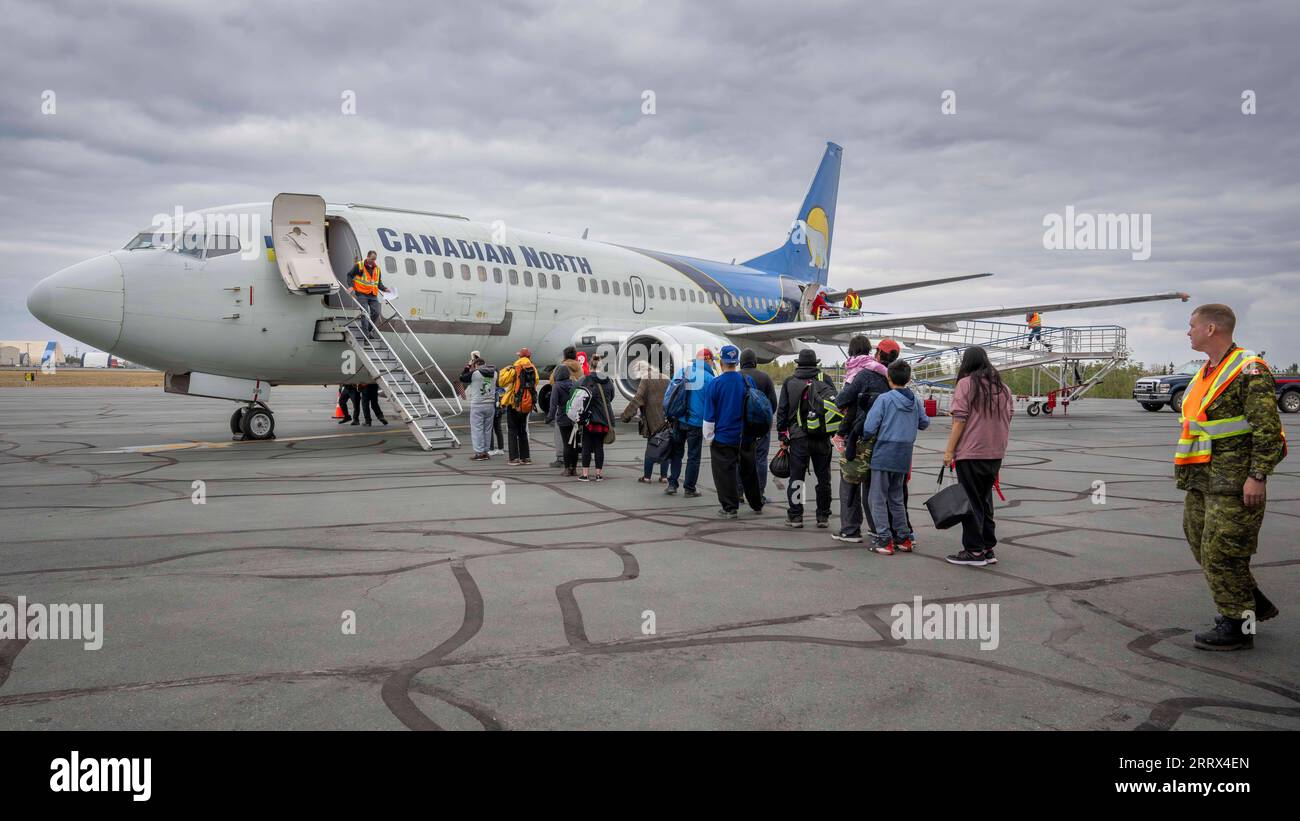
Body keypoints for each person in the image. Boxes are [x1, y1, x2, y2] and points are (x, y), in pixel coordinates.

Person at [1176, 304, 1286, 650]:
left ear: (1211, 329)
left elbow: (1268, 431)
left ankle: (1239, 625)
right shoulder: (1207, 371)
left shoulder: (1248, 370)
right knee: (1201, 545)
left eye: (1191, 325)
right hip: (1201, 478)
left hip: (1235, 481)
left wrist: (1258, 476)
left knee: (1223, 552)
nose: (1187, 331)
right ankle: (1249, 601)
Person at [941, 347, 1013, 566]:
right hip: (995, 452)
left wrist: (949, 450)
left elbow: (959, 420)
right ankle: (987, 546)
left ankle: (974, 551)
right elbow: (1009, 416)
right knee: (984, 499)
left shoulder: (966, 385)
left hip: (971, 452)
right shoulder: (1003, 388)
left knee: (971, 501)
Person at [863, 359, 929, 554]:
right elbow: (924, 423)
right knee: (896, 497)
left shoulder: (884, 399)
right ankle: (903, 537)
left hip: (884, 452)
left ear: (889, 378)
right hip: (904, 454)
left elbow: (869, 427)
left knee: (877, 498)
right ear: (908, 379)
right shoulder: (915, 400)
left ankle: (884, 539)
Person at [832, 336, 893, 543]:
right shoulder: (889, 376)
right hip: (883, 437)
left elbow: (842, 399)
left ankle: (850, 529)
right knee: (872, 485)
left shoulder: (862, 374)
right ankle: (877, 529)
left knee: (849, 482)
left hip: (858, 437)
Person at [776, 349, 836, 528]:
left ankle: (796, 516)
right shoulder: (825, 379)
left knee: (797, 478)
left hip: (798, 437)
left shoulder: (790, 382)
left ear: (799, 364)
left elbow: (782, 411)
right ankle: (823, 516)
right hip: (822, 437)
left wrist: (782, 435)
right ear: (816, 364)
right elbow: (834, 406)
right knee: (823, 478)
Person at [704, 345, 764, 518]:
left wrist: (710, 438)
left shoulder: (715, 384)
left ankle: (730, 507)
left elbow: (709, 417)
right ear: (736, 362)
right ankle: (756, 503)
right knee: (750, 471)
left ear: (721, 362)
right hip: (745, 435)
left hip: (723, 437)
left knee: (724, 474)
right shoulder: (747, 381)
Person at [663, 349, 715, 498]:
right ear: (708, 360)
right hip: (696, 423)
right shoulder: (710, 379)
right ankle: (689, 488)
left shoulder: (682, 372)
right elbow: (712, 404)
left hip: (679, 419)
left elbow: (669, 393)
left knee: (677, 453)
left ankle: (672, 484)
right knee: (693, 456)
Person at [621, 360, 670, 483]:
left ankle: (647, 477)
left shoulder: (645, 380)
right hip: (667, 419)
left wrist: (625, 416)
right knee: (666, 447)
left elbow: (638, 399)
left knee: (651, 448)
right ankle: (664, 477)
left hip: (652, 420)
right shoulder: (665, 378)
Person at [738, 349, 777, 501]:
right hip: (760, 427)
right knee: (761, 459)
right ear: (755, 362)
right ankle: (759, 493)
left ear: (741, 362)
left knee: (739, 459)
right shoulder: (765, 378)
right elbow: (773, 404)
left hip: (741, 427)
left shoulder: (737, 377)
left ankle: (739, 492)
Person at [498, 347, 540, 465]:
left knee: (512, 430)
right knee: (523, 430)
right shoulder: (533, 367)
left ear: (520, 356)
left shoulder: (515, 367)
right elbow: (536, 381)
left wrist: (505, 370)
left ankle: (514, 458)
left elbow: (501, 382)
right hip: (527, 403)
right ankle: (525, 457)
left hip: (514, 403)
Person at [548, 346, 586, 467]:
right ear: (575, 356)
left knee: (560, 434)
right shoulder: (579, 368)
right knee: (575, 433)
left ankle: (561, 457)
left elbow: (551, 381)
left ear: (564, 355)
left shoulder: (561, 367)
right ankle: (577, 455)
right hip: (576, 406)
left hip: (563, 408)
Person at [577, 365, 615, 481]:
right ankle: (598, 474)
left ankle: (585, 474)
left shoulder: (586, 380)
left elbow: (580, 396)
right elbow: (611, 397)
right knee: (599, 446)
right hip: (603, 418)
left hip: (589, 418)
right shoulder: (608, 382)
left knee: (586, 446)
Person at [459, 352, 498, 460]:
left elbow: (462, 378)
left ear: (476, 365)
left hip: (478, 404)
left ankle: (479, 453)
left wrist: (468, 367)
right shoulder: (494, 373)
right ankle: (486, 451)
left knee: (477, 429)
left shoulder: (474, 373)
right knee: (487, 429)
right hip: (490, 404)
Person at [546, 359, 579, 475]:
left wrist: (549, 417)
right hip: (574, 418)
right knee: (574, 444)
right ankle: (574, 468)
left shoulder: (557, 386)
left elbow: (553, 404)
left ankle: (567, 468)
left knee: (566, 444)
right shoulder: (574, 384)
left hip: (563, 418)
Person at [346, 251, 389, 334]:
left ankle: (368, 330)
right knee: (365, 313)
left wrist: (385, 289)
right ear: (367, 257)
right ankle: (366, 335)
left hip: (373, 295)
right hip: (362, 294)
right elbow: (349, 275)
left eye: (375, 259)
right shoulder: (359, 266)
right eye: (372, 259)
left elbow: (379, 283)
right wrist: (351, 286)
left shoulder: (377, 269)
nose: (373, 261)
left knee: (376, 313)